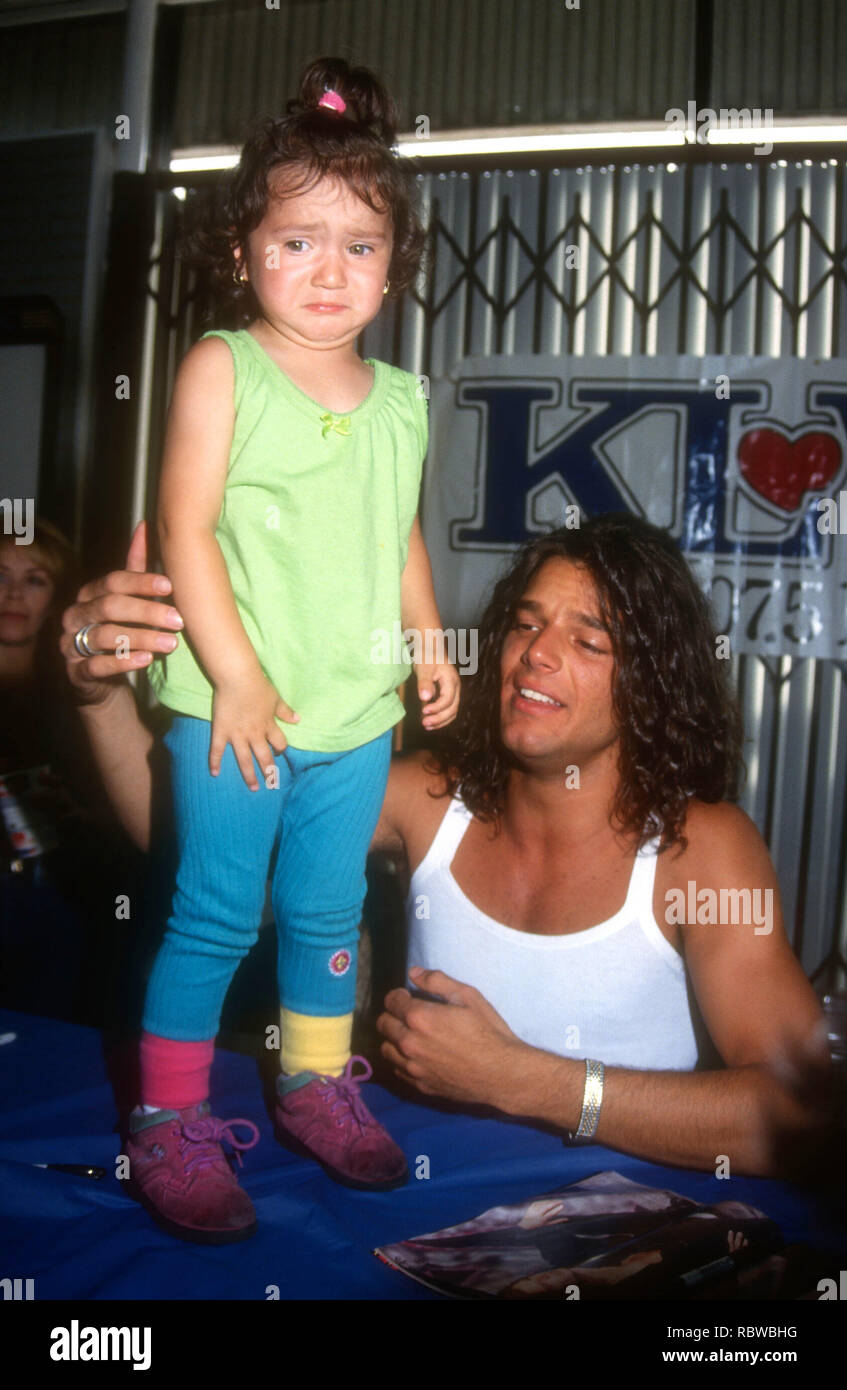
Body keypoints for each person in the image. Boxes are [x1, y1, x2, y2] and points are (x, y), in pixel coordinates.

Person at [61, 513, 829, 1188]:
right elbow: (197, 845)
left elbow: (808, 1115)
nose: (536, 655)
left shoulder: (702, 850)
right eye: (526, 626)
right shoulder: (429, 800)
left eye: (588, 639)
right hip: (424, 1206)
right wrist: (98, 699)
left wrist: (529, 1081)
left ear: (653, 684)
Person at [83, 56, 460, 1244]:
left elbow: (395, 521)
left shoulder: (402, 398)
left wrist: (426, 629)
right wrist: (234, 674)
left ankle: (310, 1081)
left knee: (329, 912)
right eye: (298, 240)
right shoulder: (220, 367)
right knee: (209, 913)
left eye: (360, 244)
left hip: (356, 710)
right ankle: (168, 1116)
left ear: (393, 264)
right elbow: (183, 523)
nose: (329, 269)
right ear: (244, 247)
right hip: (229, 702)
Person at [0, 518, 139, 1023]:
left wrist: (81, 812)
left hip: (66, 902)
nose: (14, 593)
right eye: (0, 576)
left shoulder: (84, 694)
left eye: (34, 580)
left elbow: (133, 819)